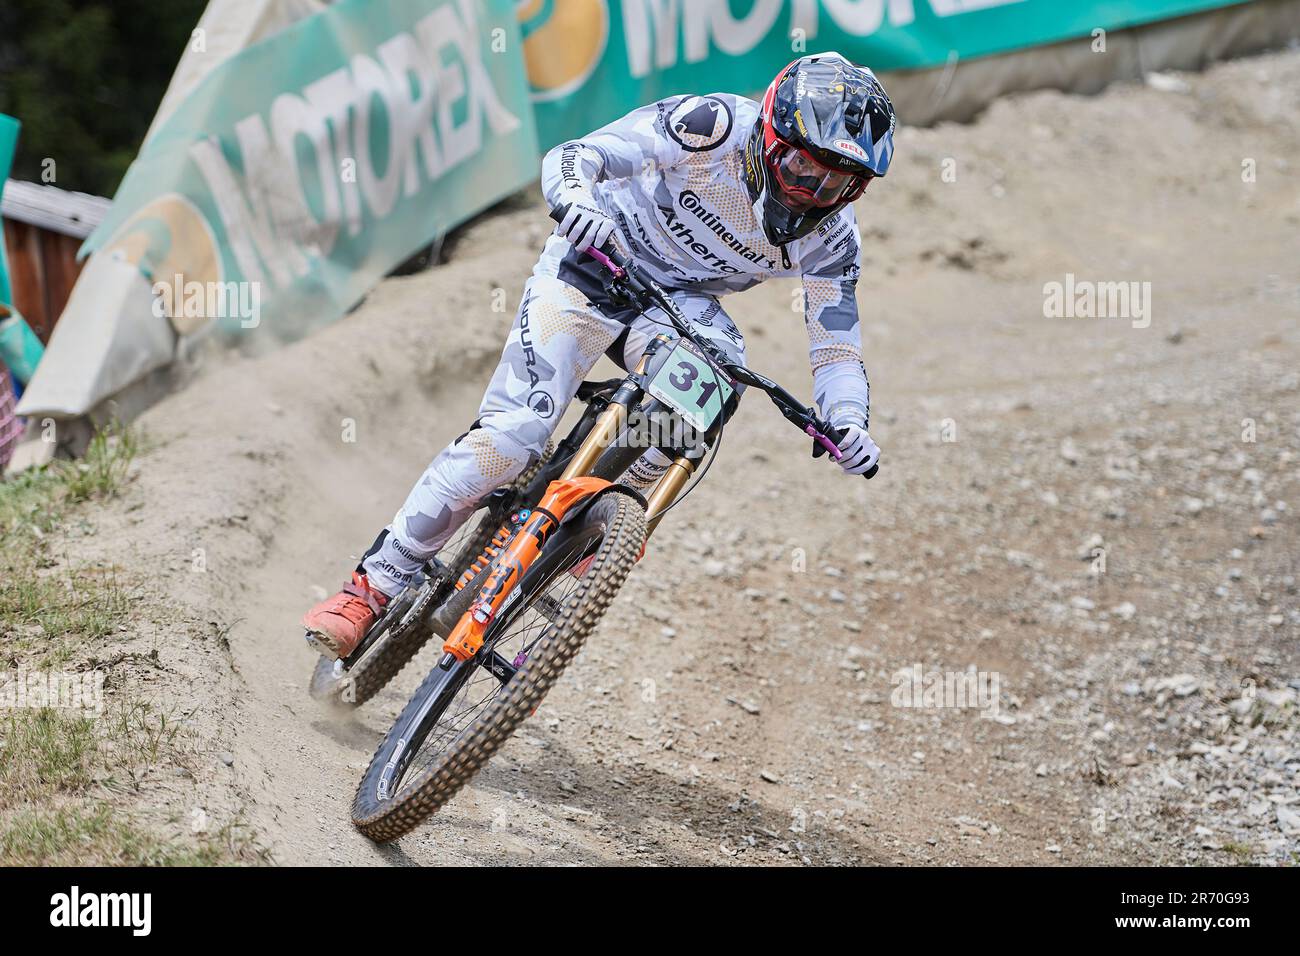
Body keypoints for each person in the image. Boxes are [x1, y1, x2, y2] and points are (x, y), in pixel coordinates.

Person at [302, 52, 897, 660]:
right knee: (513, 437)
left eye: (837, 184)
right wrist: (578, 201)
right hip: (595, 262)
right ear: (770, 136)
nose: (810, 193)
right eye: (802, 167)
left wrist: (848, 421)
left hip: (675, 305)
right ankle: (374, 584)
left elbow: (836, 347)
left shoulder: (833, 239)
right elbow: (576, 155)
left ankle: (621, 508)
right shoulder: (710, 125)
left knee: (719, 375)